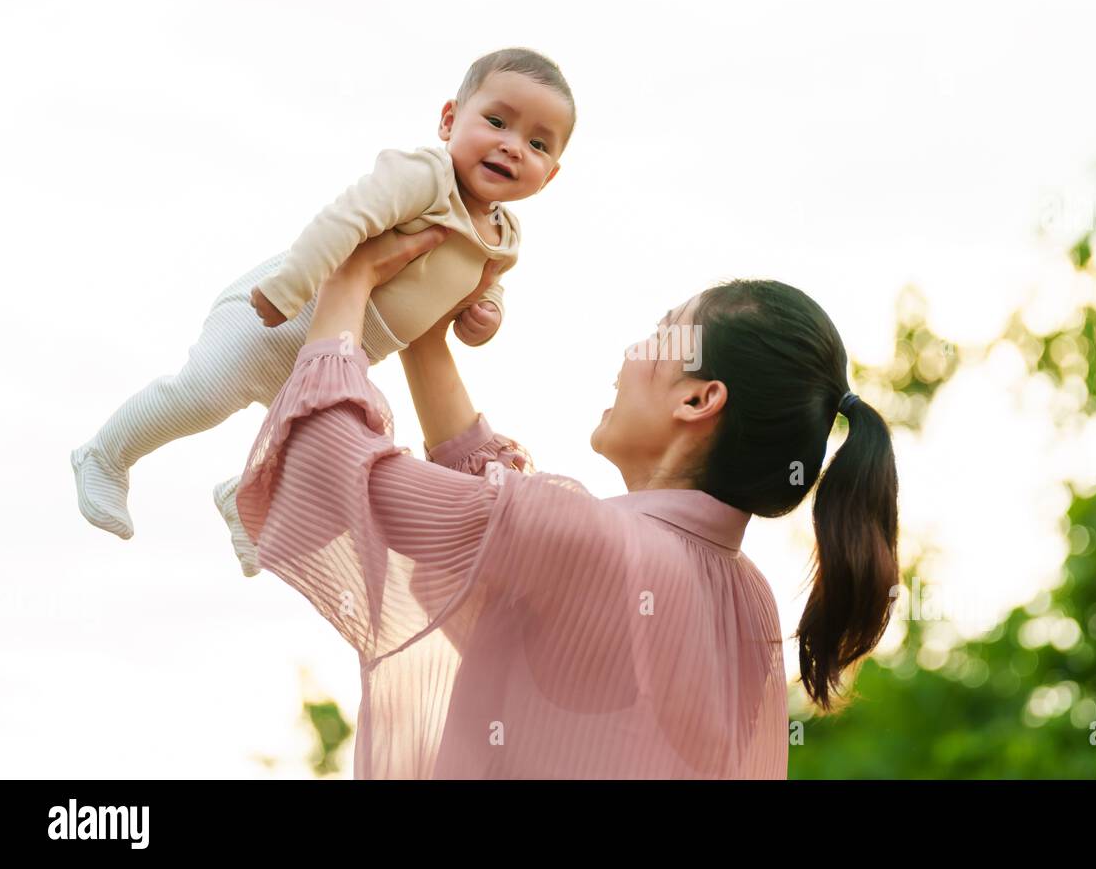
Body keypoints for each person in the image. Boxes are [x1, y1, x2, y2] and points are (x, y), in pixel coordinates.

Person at [234, 227, 900, 779]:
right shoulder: (744, 602)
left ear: (699, 399)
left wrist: (345, 284)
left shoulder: (597, 546)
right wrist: (425, 337)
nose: (630, 355)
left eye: (663, 336)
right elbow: (509, 533)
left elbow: (331, 468)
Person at [70, 48, 574, 578]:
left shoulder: (505, 237)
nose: (511, 146)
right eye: (496, 122)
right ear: (449, 120)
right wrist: (290, 287)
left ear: (551, 174)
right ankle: (105, 455)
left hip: (339, 355)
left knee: (322, 455)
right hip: (281, 316)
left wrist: (485, 318)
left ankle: (245, 505)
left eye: (537, 143)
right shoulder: (425, 176)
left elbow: (487, 290)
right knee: (202, 395)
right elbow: (345, 220)